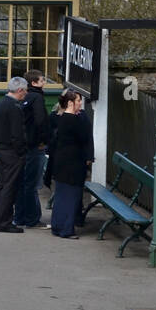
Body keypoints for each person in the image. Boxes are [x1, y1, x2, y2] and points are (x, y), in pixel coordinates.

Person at [46, 90, 94, 238]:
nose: (81, 103)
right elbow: (84, 138)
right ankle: (66, 229)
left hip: (61, 162)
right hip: (73, 164)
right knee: (72, 197)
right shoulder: (74, 120)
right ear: (70, 103)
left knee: (61, 195)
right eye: (78, 100)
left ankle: (57, 226)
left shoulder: (62, 118)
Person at [0, 76, 28, 232]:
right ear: (19, 90)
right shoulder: (15, 108)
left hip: (0, 148)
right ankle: (4, 222)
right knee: (9, 187)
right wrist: (21, 152)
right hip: (12, 152)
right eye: (25, 91)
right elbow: (17, 134)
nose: (26, 94)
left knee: (1, 184)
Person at [15, 70, 51, 228]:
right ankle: (33, 218)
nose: (44, 82)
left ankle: (19, 216)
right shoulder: (37, 98)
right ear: (34, 83)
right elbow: (40, 121)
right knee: (32, 183)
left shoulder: (25, 98)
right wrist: (44, 140)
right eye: (42, 80)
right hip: (35, 146)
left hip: (23, 145)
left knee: (23, 182)